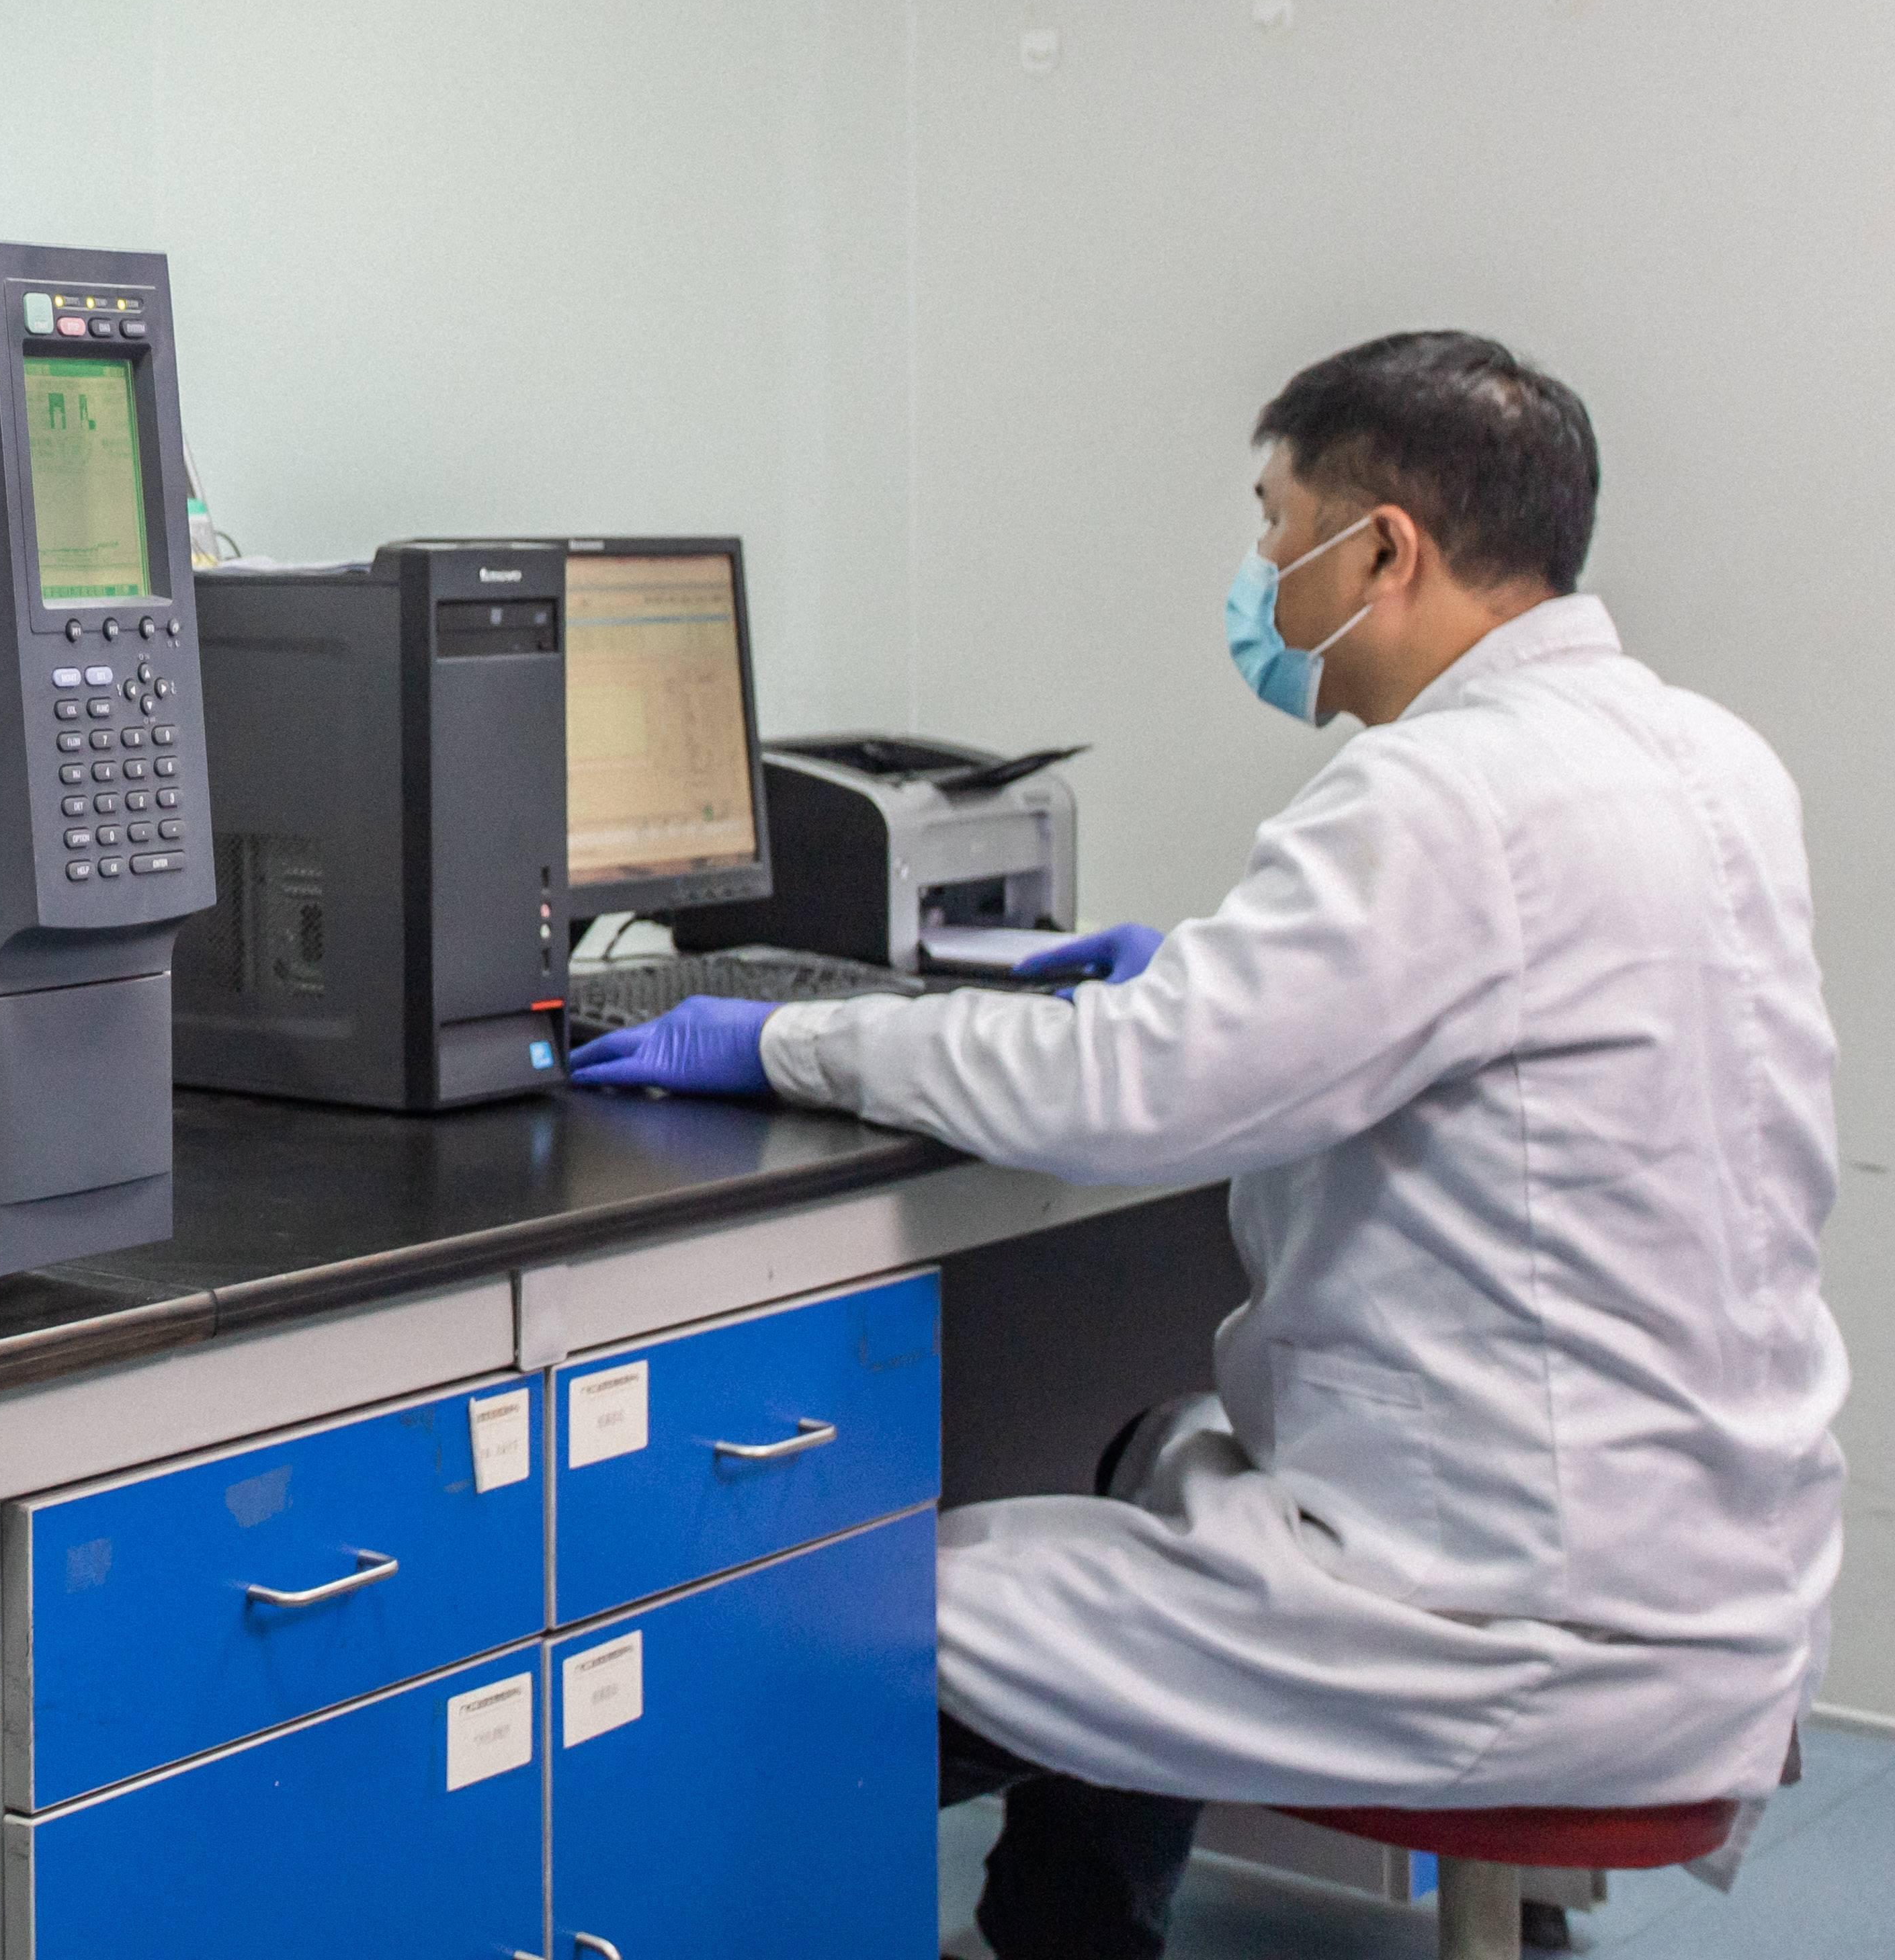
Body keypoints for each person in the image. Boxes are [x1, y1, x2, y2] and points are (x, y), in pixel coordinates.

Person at [571, 331, 1844, 1960]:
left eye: (1275, 526)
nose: (1262, 574)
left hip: (1504, 1618)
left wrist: (783, 1037)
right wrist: (1207, 977)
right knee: (1152, 1450)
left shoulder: (1437, 794)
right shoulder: (1706, 757)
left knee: (849, 1613)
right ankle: (1068, 1936)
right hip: (1714, 1578)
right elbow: (1533, 1020)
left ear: (1383, 549)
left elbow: (1127, 1094)